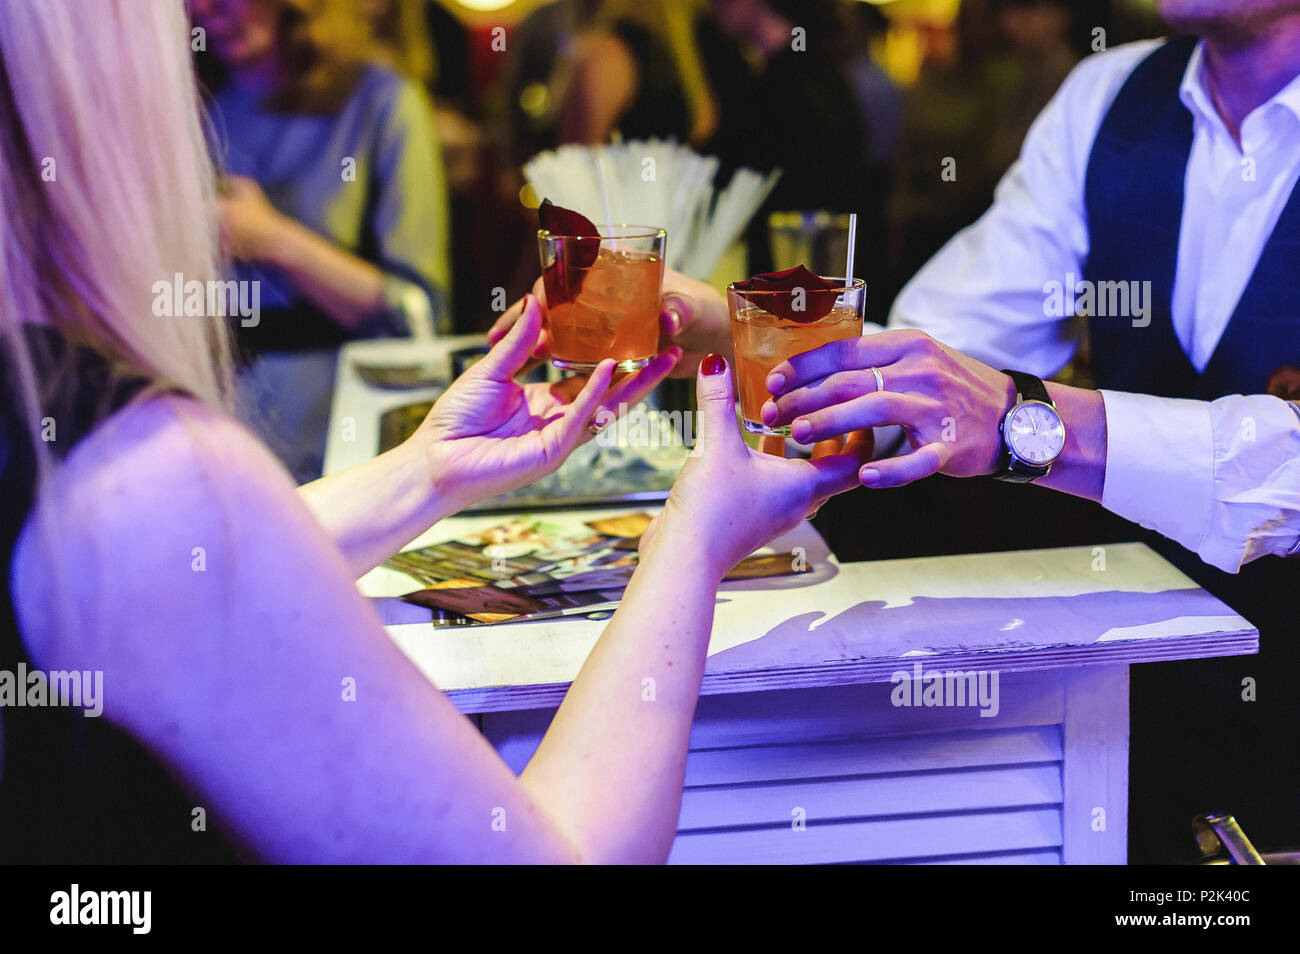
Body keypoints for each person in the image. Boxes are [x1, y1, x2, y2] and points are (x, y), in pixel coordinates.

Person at [0, 0, 872, 863]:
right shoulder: (147, 477)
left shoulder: (82, 440)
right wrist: (691, 538)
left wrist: (432, 469)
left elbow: (202, 574)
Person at [193, 0, 452, 482]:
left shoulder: (383, 102)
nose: (209, 9)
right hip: (213, 420)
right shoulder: (196, 103)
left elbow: (419, 314)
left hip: (335, 428)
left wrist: (273, 239)